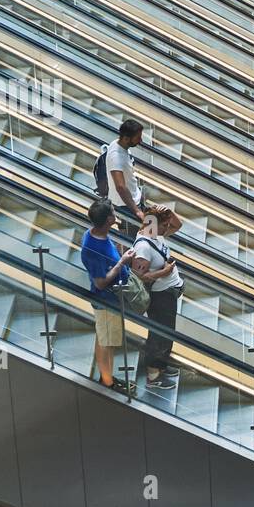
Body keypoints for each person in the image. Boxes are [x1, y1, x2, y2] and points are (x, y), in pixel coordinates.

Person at [80, 199, 137, 394]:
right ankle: (107, 382)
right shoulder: (92, 247)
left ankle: (108, 376)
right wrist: (122, 262)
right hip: (106, 301)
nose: (116, 215)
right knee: (107, 342)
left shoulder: (98, 235)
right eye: (113, 213)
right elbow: (100, 282)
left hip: (111, 300)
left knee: (105, 339)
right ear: (107, 220)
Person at [132, 207, 184, 391]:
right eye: (165, 225)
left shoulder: (154, 232)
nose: (167, 228)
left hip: (168, 292)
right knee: (159, 334)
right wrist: (165, 272)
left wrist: (169, 212)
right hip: (160, 296)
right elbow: (139, 275)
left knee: (167, 332)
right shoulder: (143, 247)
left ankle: (162, 364)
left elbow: (178, 225)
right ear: (155, 224)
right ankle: (153, 376)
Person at [105, 119, 148, 236]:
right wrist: (137, 211)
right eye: (137, 137)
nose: (140, 140)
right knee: (135, 238)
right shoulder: (116, 157)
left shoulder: (118, 144)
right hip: (127, 205)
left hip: (134, 198)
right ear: (126, 138)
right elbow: (120, 187)